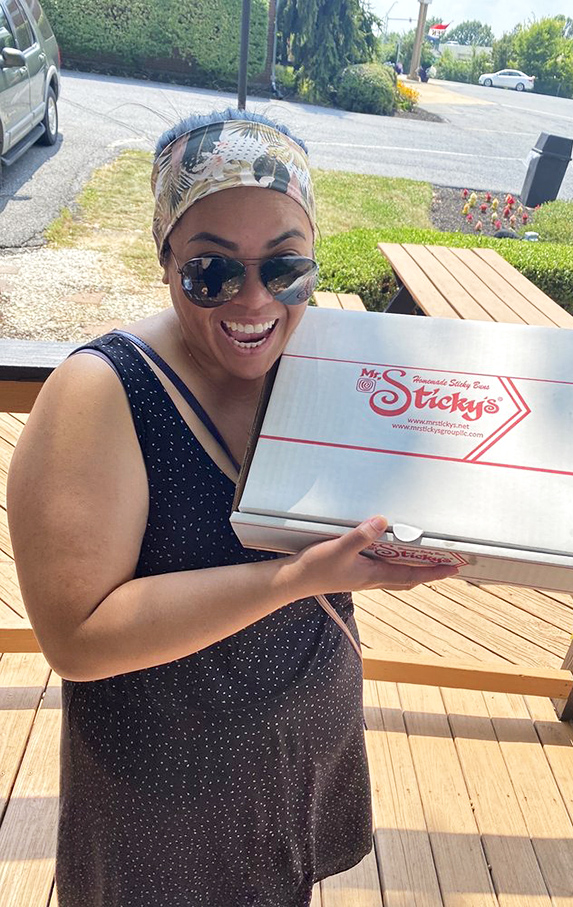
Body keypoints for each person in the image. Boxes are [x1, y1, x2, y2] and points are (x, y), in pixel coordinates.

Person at [7, 108, 460, 907]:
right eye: (211, 272)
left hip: (299, 754)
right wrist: (291, 577)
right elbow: (75, 638)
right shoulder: (103, 392)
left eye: (285, 267)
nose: (254, 300)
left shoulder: (323, 359)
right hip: (164, 794)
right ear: (165, 259)